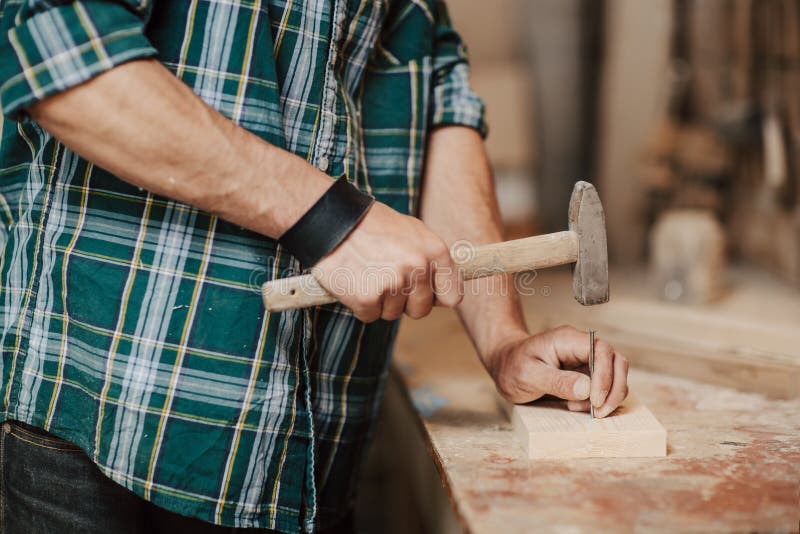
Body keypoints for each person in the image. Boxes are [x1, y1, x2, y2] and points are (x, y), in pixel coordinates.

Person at [0, 1, 629, 532]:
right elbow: (56, 53)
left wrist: (504, 340)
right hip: (110, 419)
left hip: (311, 444)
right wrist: (332, 220)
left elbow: (438, 99)